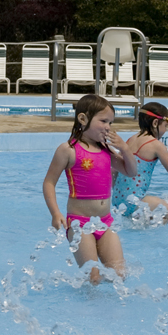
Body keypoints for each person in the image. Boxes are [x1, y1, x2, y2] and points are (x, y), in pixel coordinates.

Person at [43, 94, 138, 284]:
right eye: (103, 121)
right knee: (93, 278)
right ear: (83, 119)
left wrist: (125, 149)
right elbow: (49, 183)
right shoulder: (68, 149)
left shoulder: (106, 149)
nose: (108, 127)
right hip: (80, 224)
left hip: (105, 222)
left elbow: (131, 171)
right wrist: (55, 213)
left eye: (110, 122)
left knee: (120, 275)